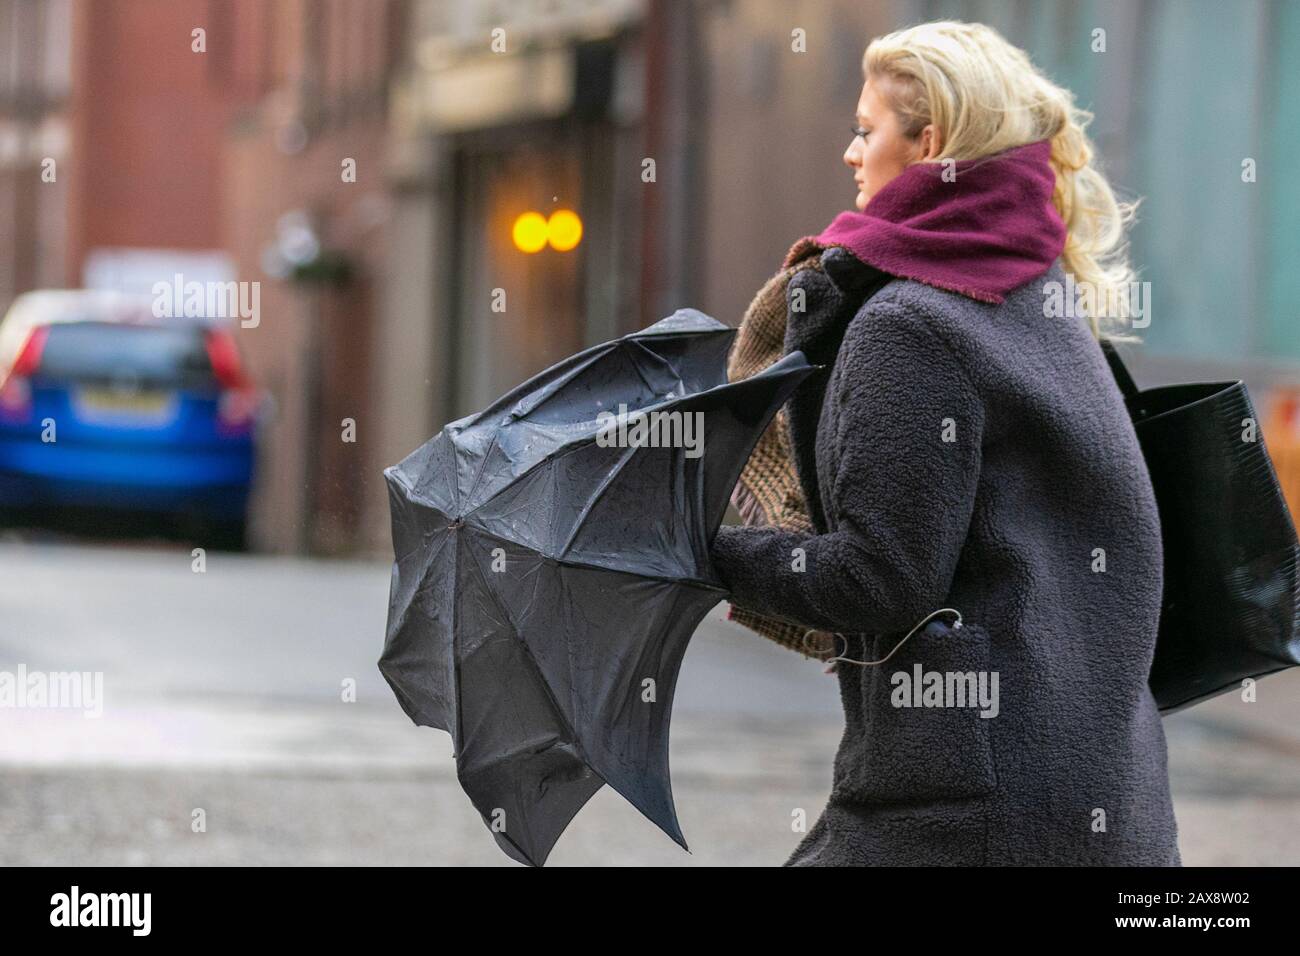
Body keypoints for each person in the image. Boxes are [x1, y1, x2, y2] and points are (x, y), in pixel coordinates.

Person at [709, 20, 1180, 866]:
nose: (851, 155)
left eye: (866, 130)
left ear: (929, 144)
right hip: (1104, 800)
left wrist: (704, 548)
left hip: (963, 810)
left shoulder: (913, 325)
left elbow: (879, 576)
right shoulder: (1046, 299)